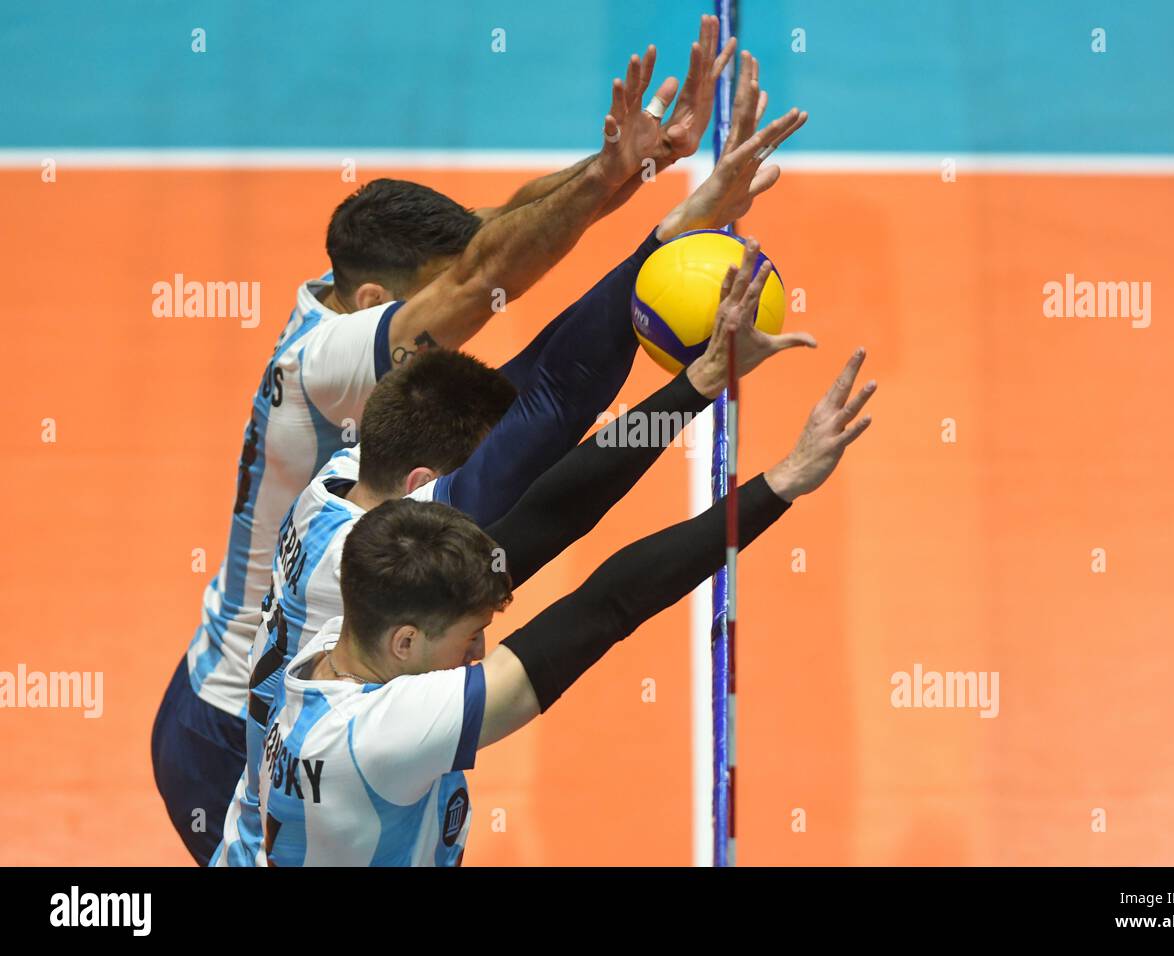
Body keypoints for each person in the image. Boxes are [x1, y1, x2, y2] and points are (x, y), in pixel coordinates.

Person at [153, 31, 804, 863]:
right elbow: (541, 406)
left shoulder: (353, 468)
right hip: (230, 739)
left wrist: (659, 200)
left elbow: (503, 302)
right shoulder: (328, 383)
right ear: (376, 300)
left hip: (232, 689)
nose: (472, 314)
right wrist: (690, 352)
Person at [212, 239, 815, 865]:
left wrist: (696, 376)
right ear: (406, 641)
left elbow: (553, 501)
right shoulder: (385, 729)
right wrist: (777, 483)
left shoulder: (350, 570)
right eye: (471, 635)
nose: (480, 651)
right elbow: (600, 605)